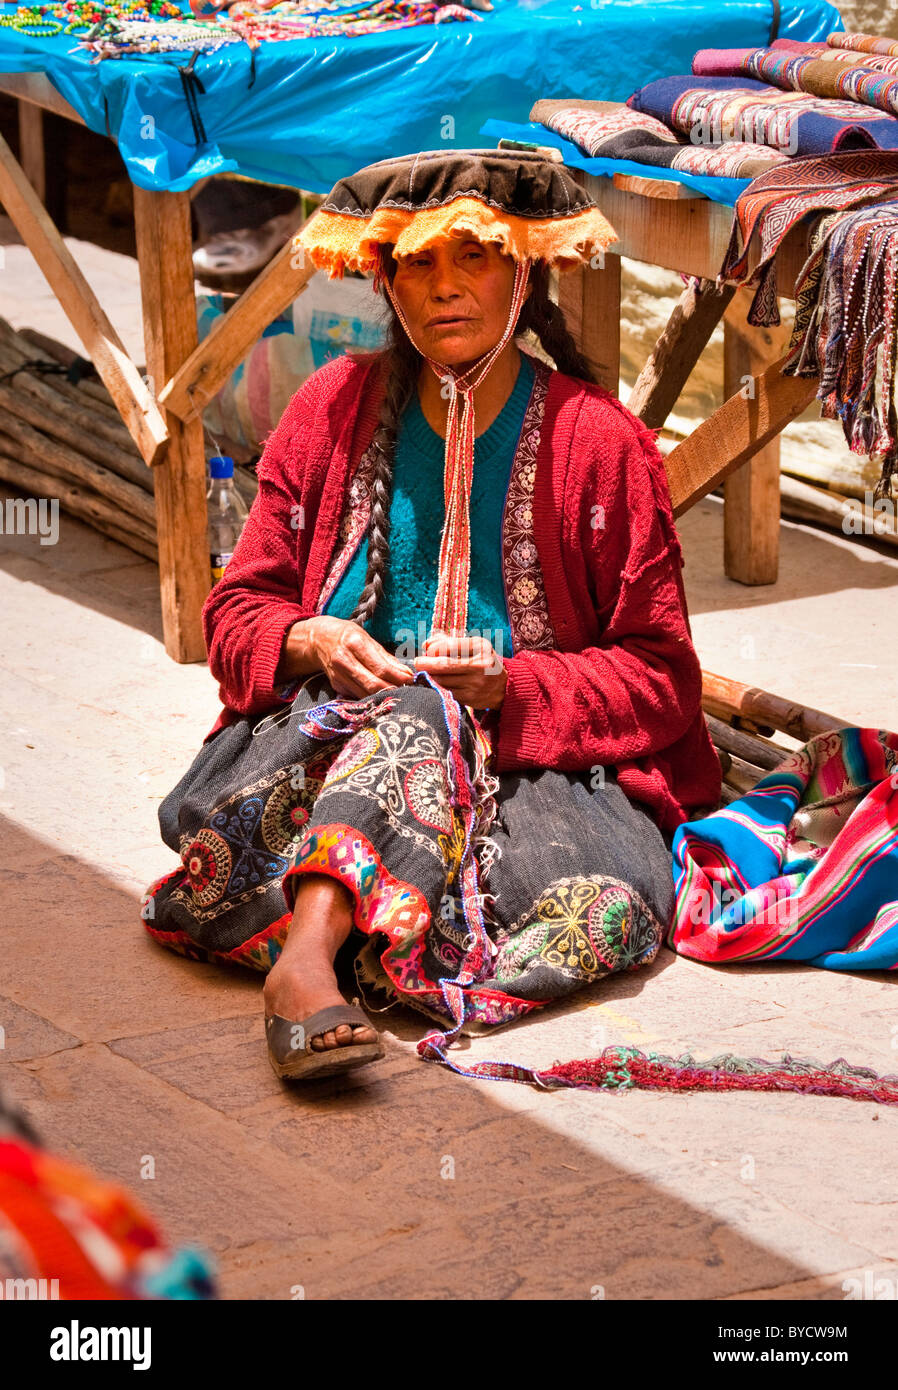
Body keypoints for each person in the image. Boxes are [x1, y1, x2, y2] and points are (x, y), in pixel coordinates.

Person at [143, 148, 722, 1082]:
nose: (444, 289)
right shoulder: (330, 408)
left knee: (602, 910)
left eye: (472, 257)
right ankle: (309, 967)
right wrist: (311, 637)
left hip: (533, 776)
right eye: (417, 262)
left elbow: (661, 676)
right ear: (386, 276)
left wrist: (510, 686)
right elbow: (239, 607)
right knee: (409, 717)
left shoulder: (601, 445)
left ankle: (322, 936)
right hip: (329, 746)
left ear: (522, 270)